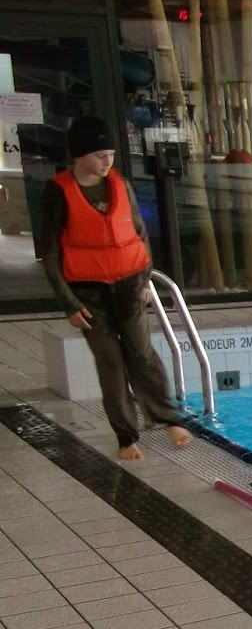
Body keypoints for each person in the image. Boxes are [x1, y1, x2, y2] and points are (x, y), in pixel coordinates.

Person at [41, 114, 191, 463]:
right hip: (88, 293)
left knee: (142, 353)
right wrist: (69, 303)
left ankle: (168, 419)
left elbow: (139, 235)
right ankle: (126, 437)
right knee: (110, 363)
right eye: (99, 155)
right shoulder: (58, 192)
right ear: (79, 156)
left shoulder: (120, 184)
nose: (107, 161)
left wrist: (143, 281)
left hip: (128, 285)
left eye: (110, 154)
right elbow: (49, 253)